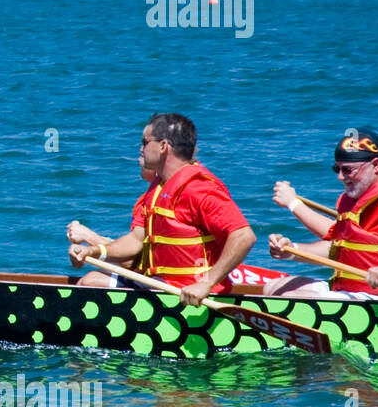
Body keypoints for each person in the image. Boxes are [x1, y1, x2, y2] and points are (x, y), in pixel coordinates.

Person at [67, 113, 255, 306]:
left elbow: (243, 236)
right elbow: (135, 241)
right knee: (88, 282)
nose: (140, 149)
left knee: (92, 284)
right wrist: (92, 251)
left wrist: (205, 283)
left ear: (163, 146)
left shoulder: (198, 188)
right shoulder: (158, 187)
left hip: (192, 297)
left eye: (144, 142)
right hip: (162, 285)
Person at [266, 129, 378, 298]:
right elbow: (339, 248)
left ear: (375, 166)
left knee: (291, 298)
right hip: (352, 290)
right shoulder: (351, 200)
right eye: (336, 169)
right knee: (273, 287)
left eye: (347, 170)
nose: (340, 177)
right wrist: (291, 251)